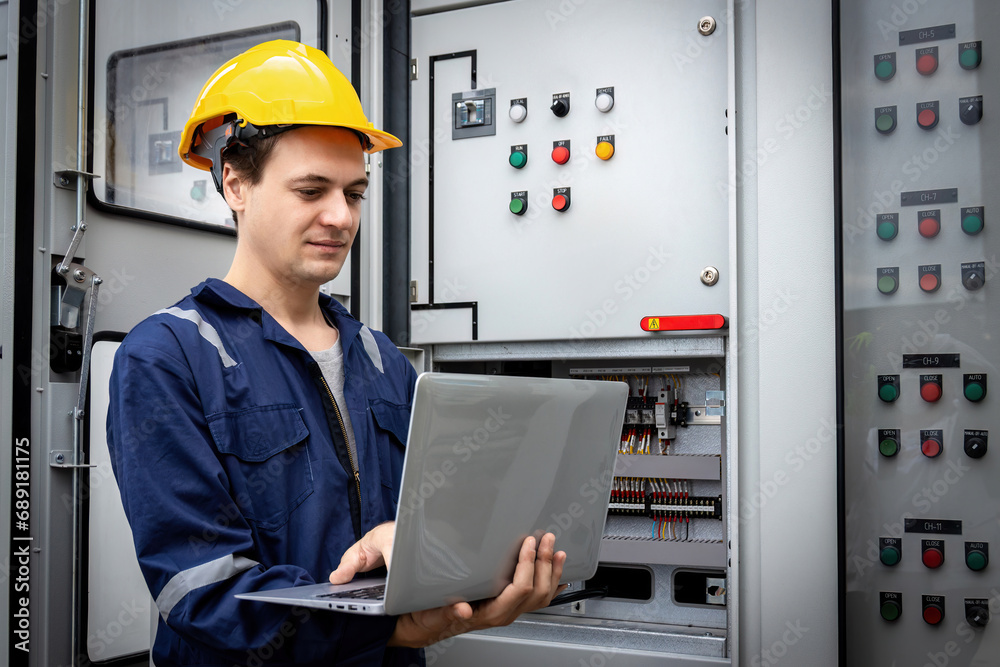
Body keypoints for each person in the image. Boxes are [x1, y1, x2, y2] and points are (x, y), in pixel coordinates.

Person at [106, 40, 565, 666]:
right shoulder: (168, 356)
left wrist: (476, 567)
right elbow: (202, 591)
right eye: (311, 189)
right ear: (235, 182)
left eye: (353, 193)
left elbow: (450, 519)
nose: (340, 216)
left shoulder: (380, 358)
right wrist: (390, 629)